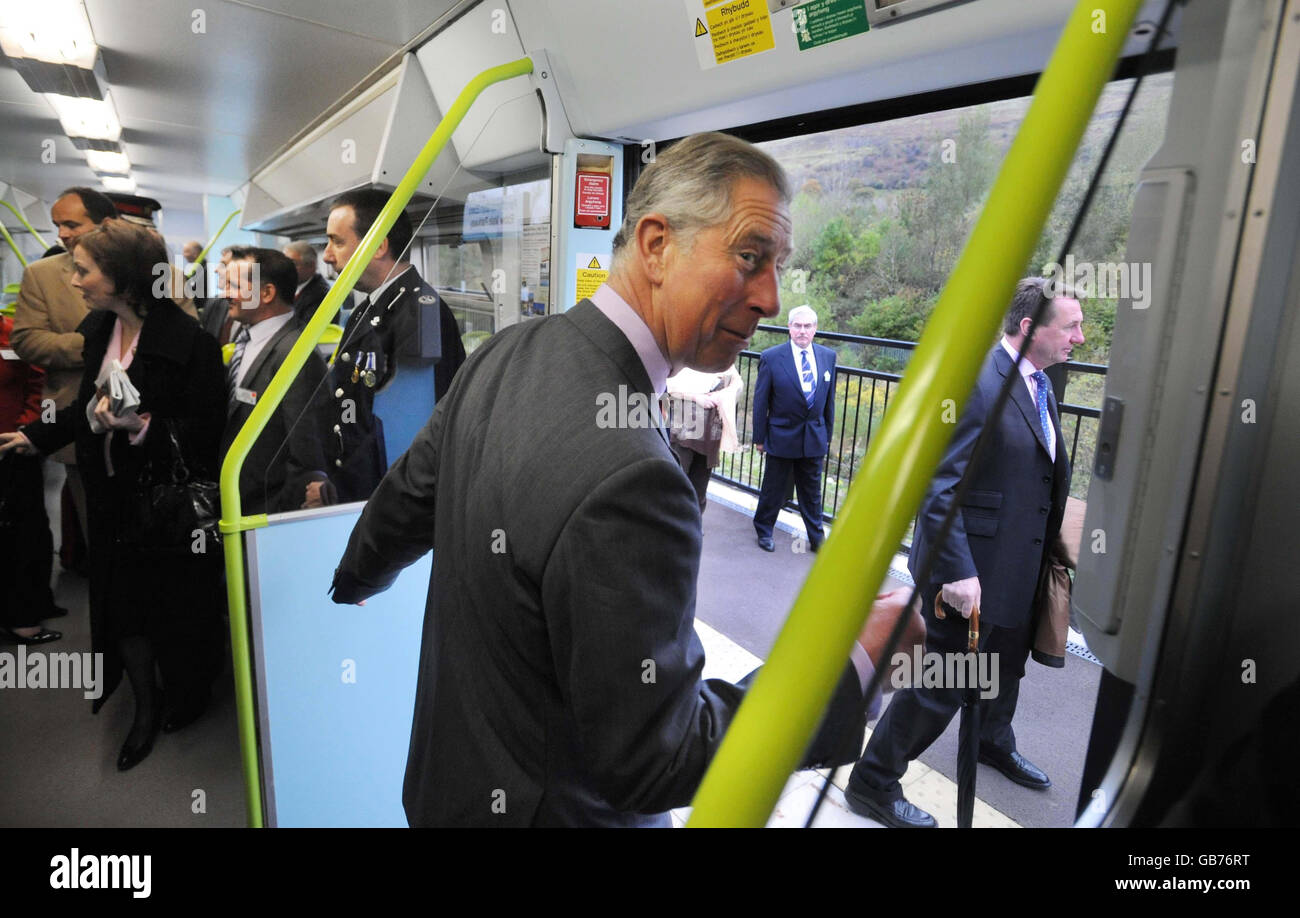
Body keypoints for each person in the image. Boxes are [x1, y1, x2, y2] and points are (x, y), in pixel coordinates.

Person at [329, 132, 919, 827]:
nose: (769, 297)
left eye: (778, 267)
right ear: (656, 244)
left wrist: (358, 577)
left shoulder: (507, 351)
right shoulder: (639, 479)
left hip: (443, 792)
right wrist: (844, 669)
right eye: (750, 257)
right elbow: (656, 757)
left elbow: (407, 499)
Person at [842, 277, 1082, 828]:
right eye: (1070, 326)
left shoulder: (1040, 381)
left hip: (1018, 569)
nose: (1081, 338)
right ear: (1028, 329)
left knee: (1005, 669)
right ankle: (872, 782)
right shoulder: (976, 384)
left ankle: (991, 742)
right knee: (939, 683)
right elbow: (936, 484)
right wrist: (957, 571)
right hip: (969, 574)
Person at [0, 219, 227, 772]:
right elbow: (86, 407)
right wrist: (36, 435)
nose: (74, 280)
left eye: (83, 269)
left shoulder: (192, 345)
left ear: (123, 279)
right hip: (109, 499)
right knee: (122, 610)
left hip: (163, 508)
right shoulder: (101, 328)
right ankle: (144, 709)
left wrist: (139, 428)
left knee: (172, 611)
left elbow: (204, 432)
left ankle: (185, 696)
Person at [12, 188, 199, 573]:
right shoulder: (73, 304)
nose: (62, 234)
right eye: (57, 225)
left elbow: (184, 360)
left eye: (71, 224)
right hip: (84, 434)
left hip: (156, 451)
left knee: (161, 555)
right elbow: (27, 339)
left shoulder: (173, 304)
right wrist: (89, 351)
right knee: (104, 541)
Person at [303, 189, 466, 507]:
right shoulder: (373, 306)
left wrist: (336, 491)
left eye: (337, 241)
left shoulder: (419, 311)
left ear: (378, 246)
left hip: (385, 504)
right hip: (359, 494)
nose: (326, 255)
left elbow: (405, 435)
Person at [219, 247, 330, 514]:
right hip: (241, 498)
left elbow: (305, 452)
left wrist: (276, 513)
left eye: (234, 286)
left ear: (267, 293)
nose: (225, 294)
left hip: (266, 509)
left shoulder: (295, 354)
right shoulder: (246, 339)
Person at [751, 305, 836, 552]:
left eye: (807, 326)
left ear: (815, 329)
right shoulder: (771, 357)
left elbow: (829, 401)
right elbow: (760, 402)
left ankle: (816, 538)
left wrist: (826, 436)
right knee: (773, 488)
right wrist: (760, 437)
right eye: (797, 325)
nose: (802, 331)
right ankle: (764, 530)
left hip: (813, 437)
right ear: (789, 328)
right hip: (780, 435)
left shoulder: (827, 357)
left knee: (811, 492)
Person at [0, 314, 62, 644]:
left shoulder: (12, 333)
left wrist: (24, 429)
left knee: (26, 536)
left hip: (14, 450)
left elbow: (39, 386)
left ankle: (24, 616)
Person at [664, 363, 743, 514]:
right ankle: (670, 529)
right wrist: (695, 397)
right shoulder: (687, 353)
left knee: (700, 486)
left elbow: (737, 383)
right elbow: (669, 385)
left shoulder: (721, 354)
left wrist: (722, 395)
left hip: (710, 432)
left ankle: (693, 527)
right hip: (683, 429)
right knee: (677, 483)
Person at [283, 241, 334, 326]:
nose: (285, 268)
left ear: (311, 266)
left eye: (292, 264)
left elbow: (304, 331)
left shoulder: (320, 296)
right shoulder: (293, 286)